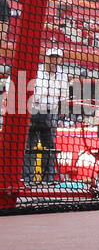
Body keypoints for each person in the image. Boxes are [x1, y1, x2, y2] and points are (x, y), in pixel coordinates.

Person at [24, 46, 69, 183]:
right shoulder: (36, 71)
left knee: (50, 147)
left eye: (57, 58)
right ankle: (27, 178)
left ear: (60, 60)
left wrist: (62, 113)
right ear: (46, 58)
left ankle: (48, 178)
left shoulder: (63, 75)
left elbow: (64, 97)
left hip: (51, 113)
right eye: (51, 57)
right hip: (33, 111)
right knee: (29, 146)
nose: (54, 60)